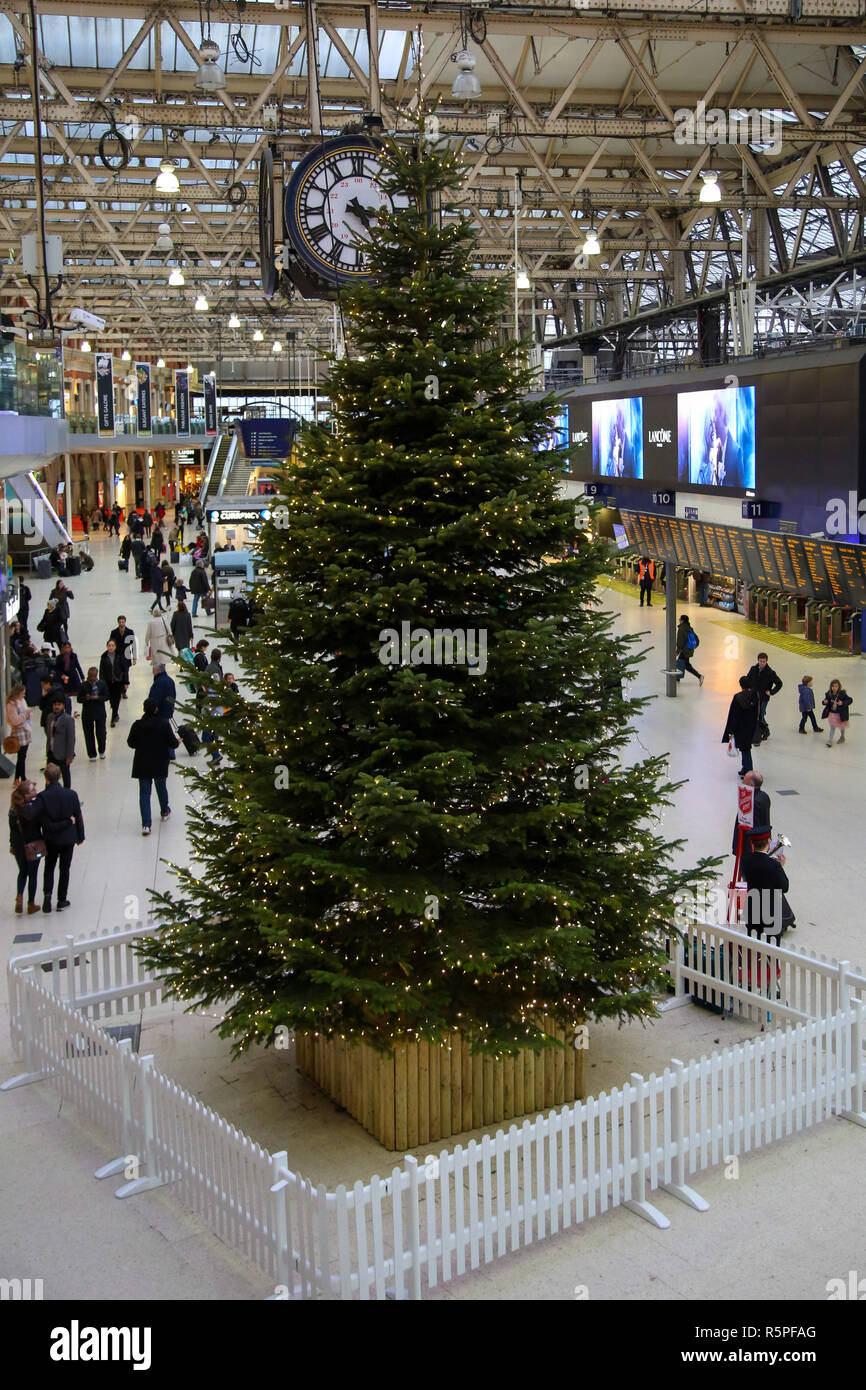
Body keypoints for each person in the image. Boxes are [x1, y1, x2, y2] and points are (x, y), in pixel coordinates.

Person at [20, 763, 85, 912]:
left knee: (49, 867)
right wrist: (80, 835)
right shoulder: (71, 794)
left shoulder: (42, 797)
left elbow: (30, 814)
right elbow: (78, 816)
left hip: (51, 839)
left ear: (46, 779)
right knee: (65, 868)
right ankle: (61, 900)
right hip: (68, 838)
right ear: (59, 777)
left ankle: (47, 895)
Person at [127, 698, 179, 835]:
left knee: (144, 793)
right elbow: (173, 743)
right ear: (156, 709)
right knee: (161, 786)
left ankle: (146, 824)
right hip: (160, 762)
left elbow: (131, 743)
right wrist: (178, 741)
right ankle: (164, 810)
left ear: (144, 709)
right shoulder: (163, 724)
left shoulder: (137, 725)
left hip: (142, 763)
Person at [740, 833, 794, 942]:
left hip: (752, 908)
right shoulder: (774, 865)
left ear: (752, 843)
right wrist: (780, 867)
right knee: (772, 944)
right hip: (771, 911)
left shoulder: (744, 859)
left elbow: (746, 877)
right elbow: (784, 887)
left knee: (753, 942)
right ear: (769, 842)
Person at [9, 778, 43, 914]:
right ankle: (31, 904)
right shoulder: (32, 811)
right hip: (33, 846)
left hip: (18, 847)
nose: (35, 791)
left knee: (22, 872)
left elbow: (12, 830)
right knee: (33, 874)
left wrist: (12, 844)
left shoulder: (13, 811)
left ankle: (19, 896)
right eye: (32, 790)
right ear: (26, 795)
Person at [722, 676, 760, 777]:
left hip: (741, 727)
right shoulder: (755, 696)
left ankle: (748, 770)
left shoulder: (738, 697)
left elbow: (734, 716)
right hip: (751, 726)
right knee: (745, 747)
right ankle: (745, 768)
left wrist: (731, 731)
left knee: (745, 748)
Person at [732, 770, 772, 854]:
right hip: (762, 842)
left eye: (744, 780)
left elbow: (752, 826)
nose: (742, 782)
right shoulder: (764, 796)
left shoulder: (751, 802)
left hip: (750, 846)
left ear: (751, 784)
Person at [746, 653, 782, 737]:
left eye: (764, 661)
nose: (762, 663)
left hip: (763, 698)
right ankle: (757, 731)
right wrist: (748, 688)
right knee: (755, 714)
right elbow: (748, 679)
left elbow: (779, 683)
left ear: (766, 661)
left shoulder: (770, 672)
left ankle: (765, 731)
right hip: (754, 696)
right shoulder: (753, 669)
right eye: (760, 661)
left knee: (761, 715)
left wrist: (771, 692)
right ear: (757, 660)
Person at [77, 667, 110, 761]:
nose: (92, 678)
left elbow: (107, 696)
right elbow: (79, 699)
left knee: (101, 733)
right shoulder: (83, 685)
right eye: (90, 676)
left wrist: (98, 698)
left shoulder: (102, 684)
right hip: (87, 713)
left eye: (94, 676)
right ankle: (92, 754)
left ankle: (102, 750)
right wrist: (86, 698)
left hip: (99, 712)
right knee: (88, 734)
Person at [45, 696, 76, 788]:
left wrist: (69, 756)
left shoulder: (68, 720)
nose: (56, 707)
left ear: (63, 706)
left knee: (66, 777)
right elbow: (49, 734)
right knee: (49, 777)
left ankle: (67, 795)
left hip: (63, 754)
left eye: (59, 704)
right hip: (51, 752)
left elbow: (71, 739)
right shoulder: (49, 717)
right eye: (55, 704)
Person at [5, 683, 32, 782]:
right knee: (21, 756)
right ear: (18, 693)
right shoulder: (11, 704)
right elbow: (15, 720)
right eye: (23, 693)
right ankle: (18, 779)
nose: (24, 695)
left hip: (25, 730)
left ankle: (22, 778)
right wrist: (26, 714)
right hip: (18, 732)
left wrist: (27, 714)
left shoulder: (22, 701)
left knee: (23, 756)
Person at [99, 638, 129, 727]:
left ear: (115, 647)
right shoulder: (104, 657)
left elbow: (125, 669)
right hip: (108, 682)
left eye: (112, 646)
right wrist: (102, 682)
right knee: (111, 700)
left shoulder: (120, 655)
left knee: (116, 699)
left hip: (118, 681)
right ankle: (115, 713)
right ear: (107, 647)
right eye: (109, 646)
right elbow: (102, 671)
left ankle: (113, 717)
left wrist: (126, 682)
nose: (111, 647)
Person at [108, 616, 137, 699]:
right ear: (118, 622)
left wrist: (134, 658)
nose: (121, 624)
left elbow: (133, 645)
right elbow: (111, 645)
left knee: (125, 674)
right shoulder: (114, 632)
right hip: (117, 657)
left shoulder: (130, 632)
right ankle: (119, 690)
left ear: (125, 622)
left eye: (123, 622)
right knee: (117, 674)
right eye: (120, 622)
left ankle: (124, 691)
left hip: (126, 656)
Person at [674, 615, 703, 685]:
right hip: (688, 649)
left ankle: (699, 676)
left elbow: (680, 641)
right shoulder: (689, 628)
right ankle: (677, 678)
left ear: (682, 620)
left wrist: (677, 651)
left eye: (680, 619)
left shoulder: (681, 629)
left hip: (685, 650)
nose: (679, 620)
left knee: (684, 664)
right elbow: (696, 640)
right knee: (684, 664)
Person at [822, 679, 852, 747]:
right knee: (832, 727)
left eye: (836, 686)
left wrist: (843, 703)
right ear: (831, 687)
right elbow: (825, 701)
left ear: (839, 687)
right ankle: (830, 740)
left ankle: (842, 737)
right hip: (832, 714)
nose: (834, 688)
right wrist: (824, 702)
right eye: (833, 686)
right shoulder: (829, 693)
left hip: (840, 714)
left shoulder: (842, 694)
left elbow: (850, 700)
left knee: (842, 727)